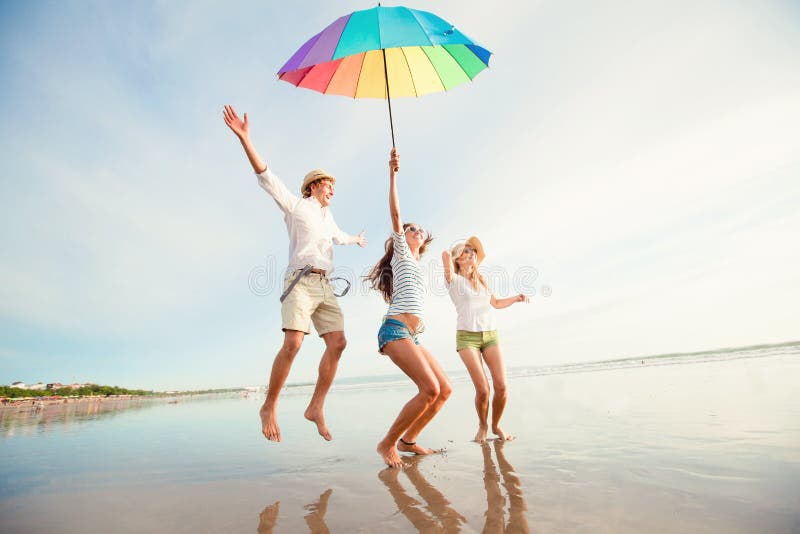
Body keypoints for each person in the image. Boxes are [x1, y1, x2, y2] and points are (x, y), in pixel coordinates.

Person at [223, 105, 367, 442]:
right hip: (300, 282)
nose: (332, 191)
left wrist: (355, 239)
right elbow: (266, 177)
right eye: (328, 186)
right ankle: (269, 405)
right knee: (294, 343)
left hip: (324, 285)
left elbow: (340, 235)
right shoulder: (296, 205)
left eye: (333, 187)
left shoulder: (328, 217)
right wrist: (246, 139)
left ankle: (315, 406)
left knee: (339, 342)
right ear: (315, 186)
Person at [366, 148, 452, 468]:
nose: (416, 231)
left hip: (413, 336)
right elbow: (396, 216)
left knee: (443, 390)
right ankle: (387, 444)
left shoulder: (416, 262)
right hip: (395, 330)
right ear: (403, 237)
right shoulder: (402, 252)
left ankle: (408, 440)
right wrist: (393, 174)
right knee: (428, 388)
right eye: (411, 229)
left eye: (419, 230)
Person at [442, 237, 528, 442]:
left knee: (501, 387)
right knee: (483, 390)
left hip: (490, 334)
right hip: (467, 337)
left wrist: (516, 298)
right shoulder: (452, 279)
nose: (472, 253)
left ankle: (496, 426)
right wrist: (457, 251)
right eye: (467, 252)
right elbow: (445, 255)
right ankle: (482, 425)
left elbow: (496, 303)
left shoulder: (480, 279)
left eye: (473, 251)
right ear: (459, 259)